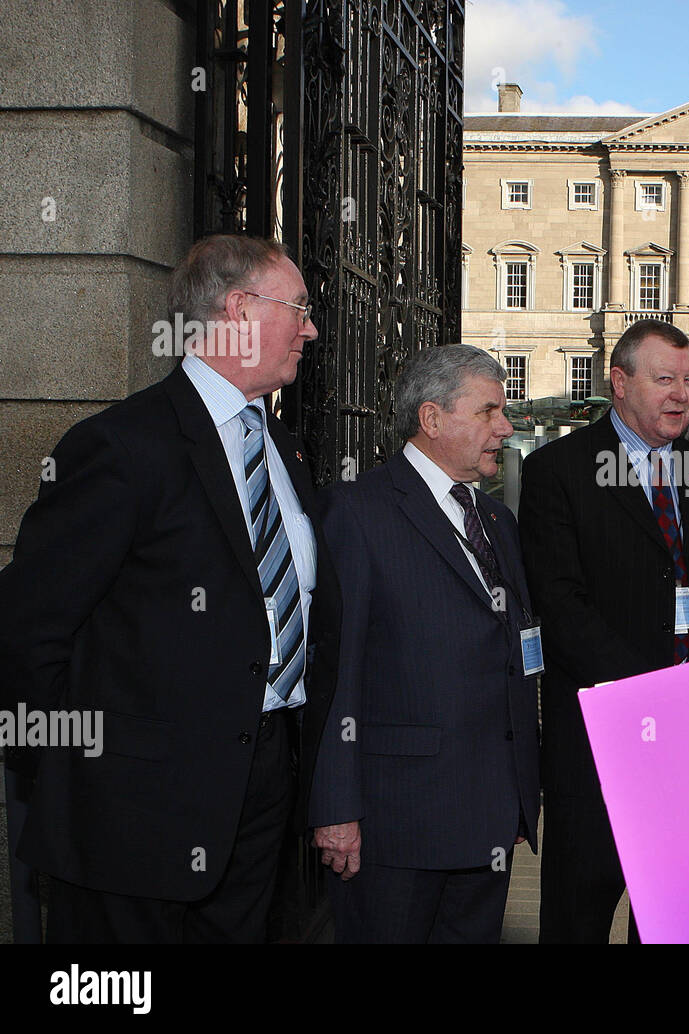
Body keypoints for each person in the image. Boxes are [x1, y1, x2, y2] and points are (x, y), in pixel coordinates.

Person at [0, 234, 340, 942]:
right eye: (299, 308)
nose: (311, 328)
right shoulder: (122, 446)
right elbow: (30, 628)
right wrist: (75, 780)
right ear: (240, 308)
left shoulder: (286, 447)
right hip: (134, 819)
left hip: (265, 794)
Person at [518, 318, 689, 943]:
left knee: (677, 920)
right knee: (579, 915)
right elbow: (560, 604)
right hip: (601, 744)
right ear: (618, 383)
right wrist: (650, 696)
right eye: (665, 380)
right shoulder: (559, 471)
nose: (682, 394)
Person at [308, 345, 540, 943]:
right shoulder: (357, 512)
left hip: (486, 816)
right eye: (488, 411)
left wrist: (517, 793)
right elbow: (337, 669)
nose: (505, 428)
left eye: (505, 412)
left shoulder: (497, 522)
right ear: (432, 419)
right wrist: (335, 807)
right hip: (394, 823)